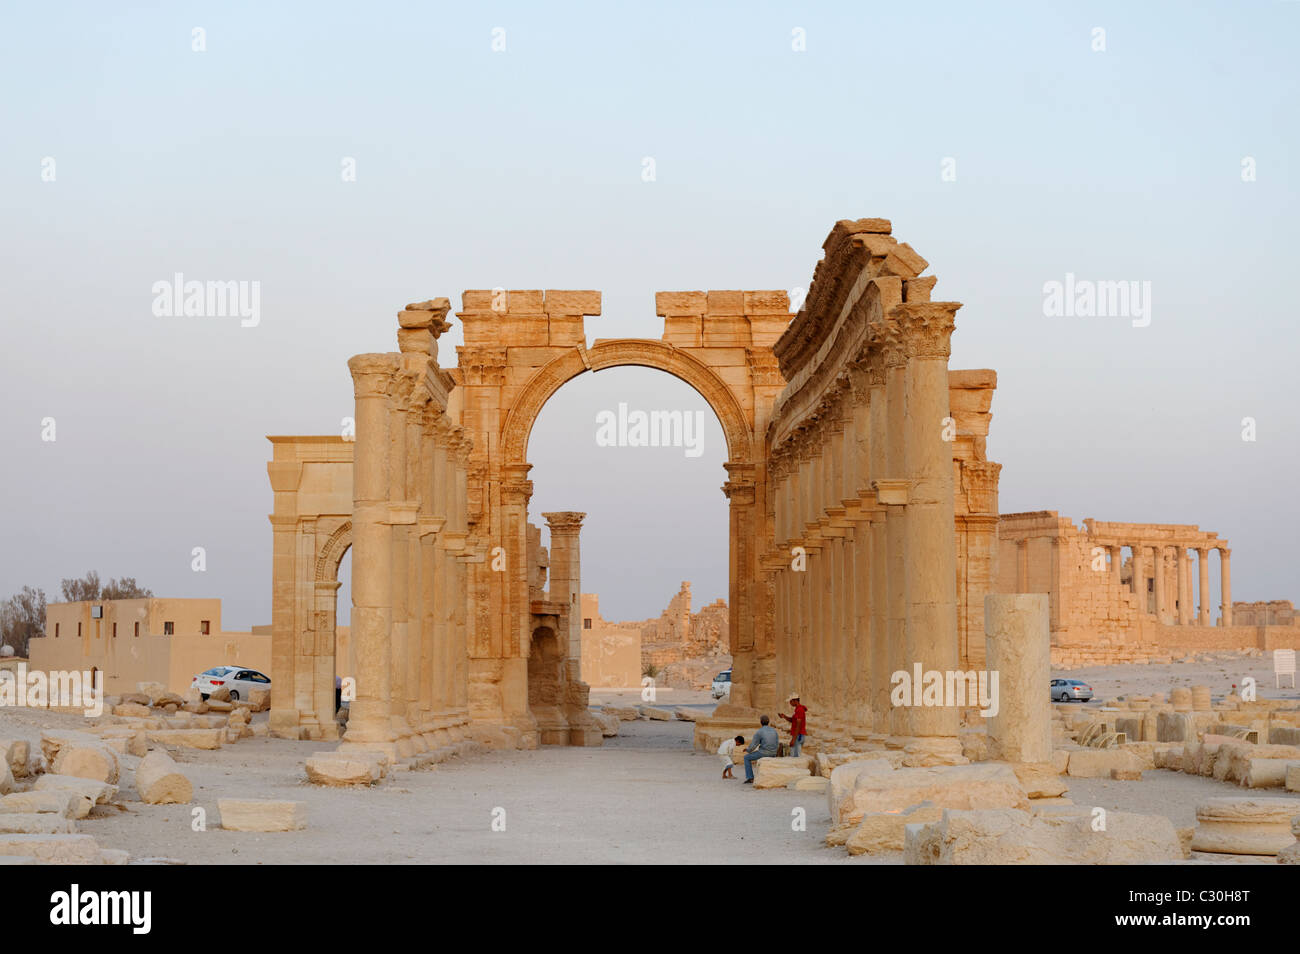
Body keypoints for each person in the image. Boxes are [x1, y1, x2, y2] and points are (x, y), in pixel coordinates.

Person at [743, 715, 779, 784]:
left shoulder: (759, 732)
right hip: (774, 753)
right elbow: (777, 742)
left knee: (746, 758)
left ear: (761, 722)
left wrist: (748, 750)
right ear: (768, 722)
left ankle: (750, 778)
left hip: (764, 753)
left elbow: (754, 745)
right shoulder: (774, 730)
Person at [779, 692, 808, 757]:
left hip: (798, 736)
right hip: (797, 736)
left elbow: (798, 725)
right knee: (794, 755)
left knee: (796, 756)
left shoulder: (800, 710)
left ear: (795, 701)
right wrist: (784, 716)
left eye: (791, 701)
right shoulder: (797, 709)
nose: (790, 703)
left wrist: (793, 740)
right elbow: (793, 720)